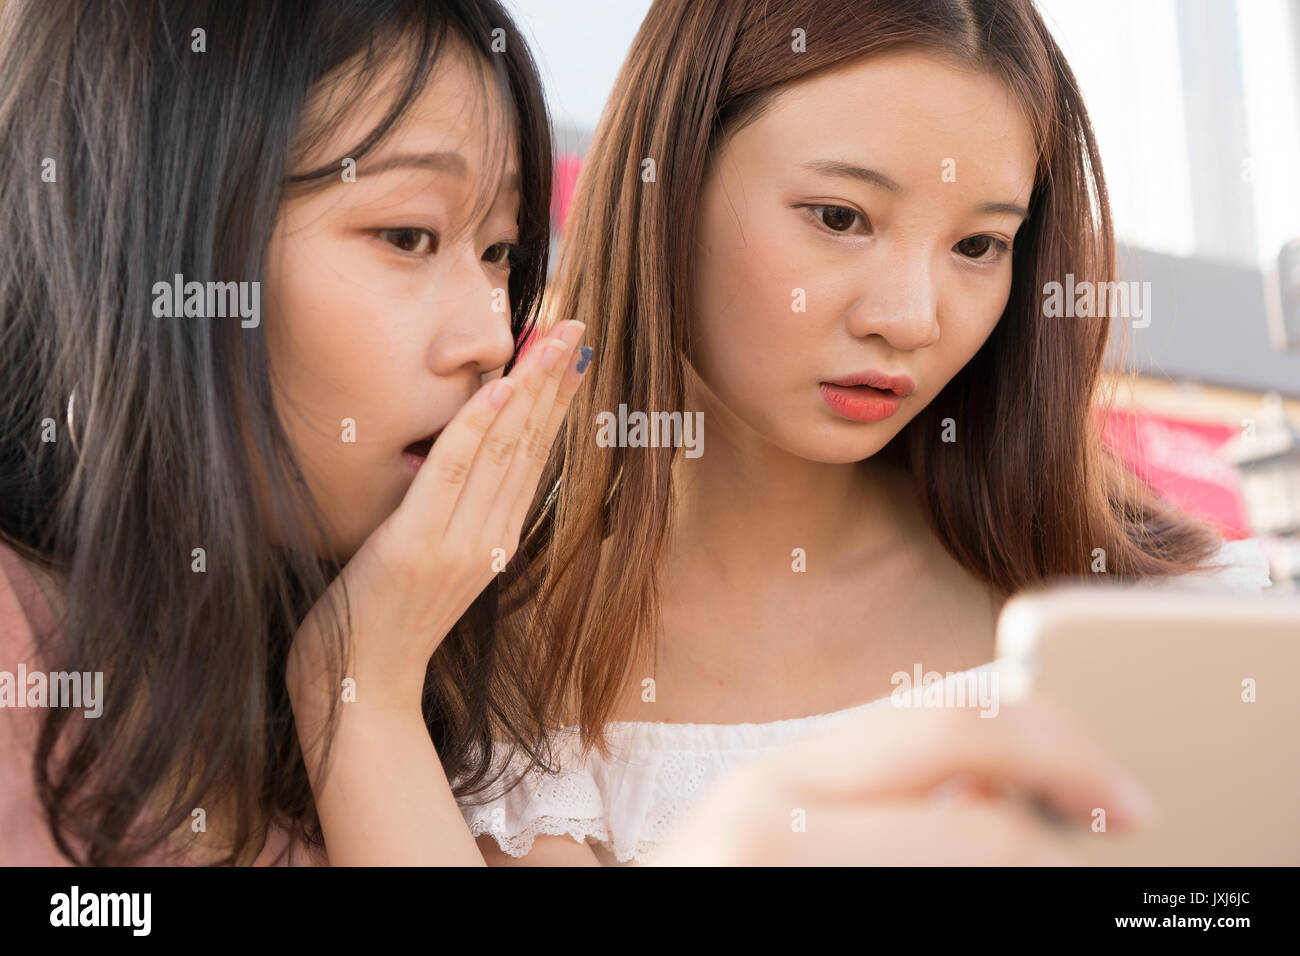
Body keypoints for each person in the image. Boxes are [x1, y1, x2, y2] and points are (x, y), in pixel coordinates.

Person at [463, 0, 1273, 865]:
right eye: (840, 218)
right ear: (667, 186)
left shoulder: (1155, 611)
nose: (913, 319)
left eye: (978, 245)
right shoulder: (519, 668)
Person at [0, 0, 590, 865]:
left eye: (501, 251)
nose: (493, 338)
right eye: (407, 235)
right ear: (152, 234)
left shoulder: (463, 652)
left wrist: (364, 692)